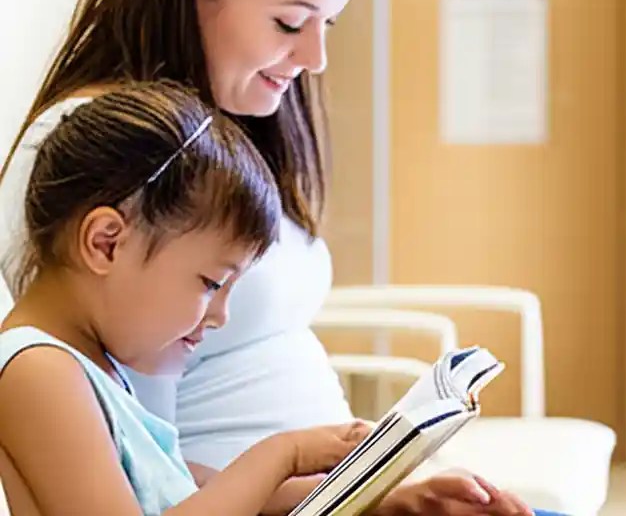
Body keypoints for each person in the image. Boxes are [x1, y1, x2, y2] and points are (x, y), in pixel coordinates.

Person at [0, 0, 529, 516]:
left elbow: (165, 476)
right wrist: (286, 458)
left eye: (326, 25)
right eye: (289, 23)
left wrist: (379, 494)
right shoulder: (110, 170)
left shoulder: (215, 143)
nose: (315, 59)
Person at [0, 83, 380, 515]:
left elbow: (181, 492)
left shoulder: (92, 369)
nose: (221, 315)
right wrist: (282, 454)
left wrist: (378, 498)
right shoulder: (37, 370)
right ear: (106, 243)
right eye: (211, 283)